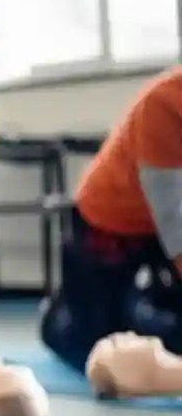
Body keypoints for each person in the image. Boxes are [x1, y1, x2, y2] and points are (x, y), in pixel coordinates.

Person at [40, 67, 182, 372]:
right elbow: (174, 220)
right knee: (89, 349)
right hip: (111, 220)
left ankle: (148, 304)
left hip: (166, 228)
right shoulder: (165, 102)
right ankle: (60, 317)